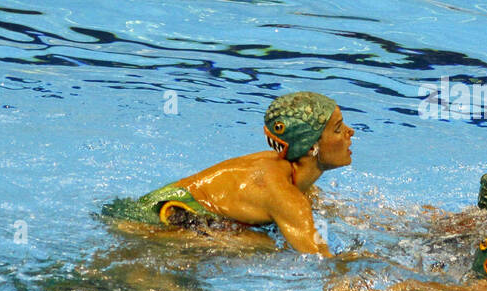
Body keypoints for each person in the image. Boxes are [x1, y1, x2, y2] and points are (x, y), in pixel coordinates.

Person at [101, 91, 354, 255]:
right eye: (338, 128)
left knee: (264, 242)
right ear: (311, 146)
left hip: (159, 211)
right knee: (268, 246)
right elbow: (321, 264)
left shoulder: (291, 177)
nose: (350, 132)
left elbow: (337, 212)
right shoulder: (283, 193)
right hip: (151, 222)